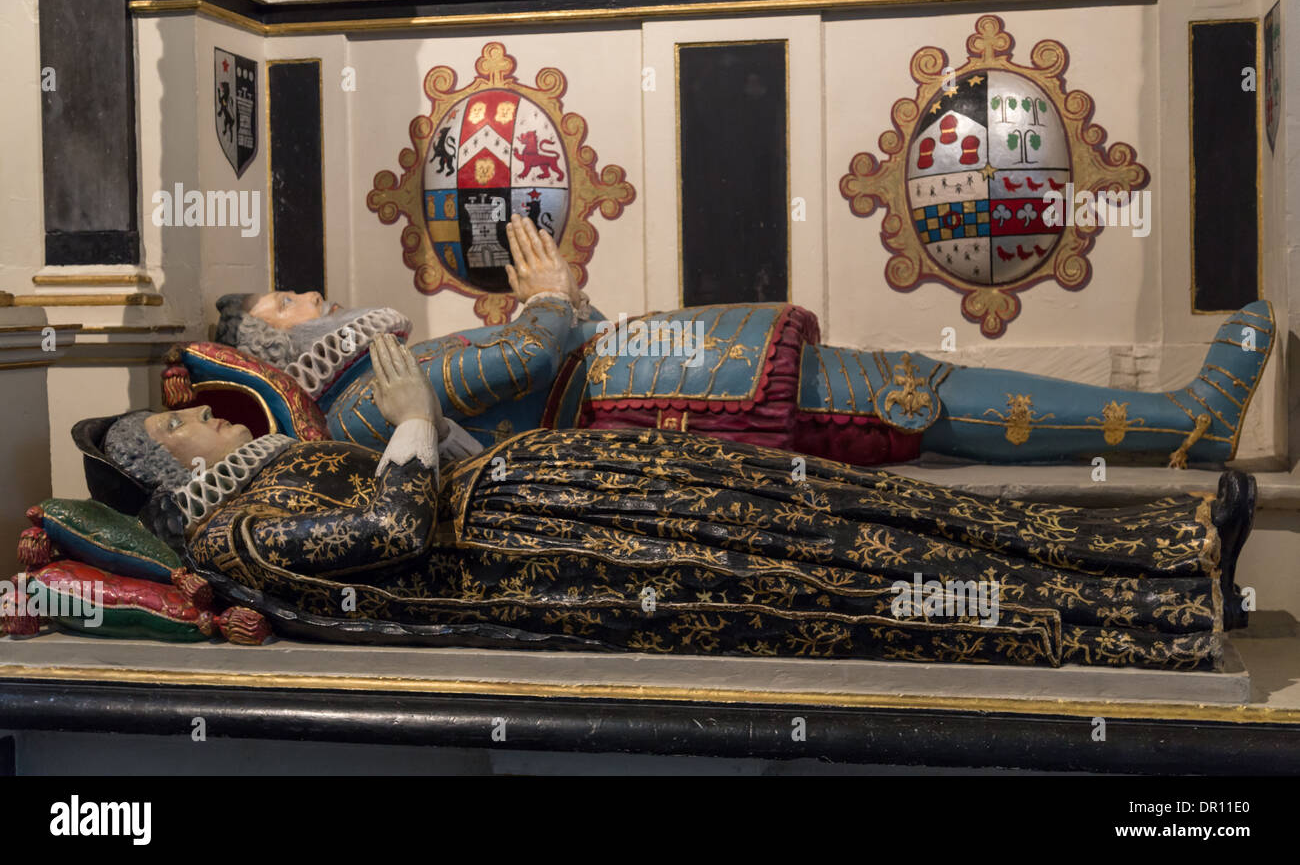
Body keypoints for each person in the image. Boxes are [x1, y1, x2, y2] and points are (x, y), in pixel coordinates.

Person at [96, 332, 1256, 669]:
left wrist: (426, 426)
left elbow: (422, 475)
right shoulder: (231, 528)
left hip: (582, 488)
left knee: (871, 510)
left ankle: (1165, 538)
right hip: (569, 553)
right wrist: (409, 417)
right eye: (184, 424)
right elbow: (388, 532)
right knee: (857, 574)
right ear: (167, 465)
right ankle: (1150, 611)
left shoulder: (270, 468)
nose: (212, 418)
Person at [207, 217, 1275, 469]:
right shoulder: (362, 397)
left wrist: (561, 310)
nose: (312, 294)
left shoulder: (368, 379)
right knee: (910, 397)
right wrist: (553, 297)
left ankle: (1178, 422)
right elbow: (528, 358)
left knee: (911, 392)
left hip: (670, 374)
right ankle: (1187, 423)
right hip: (674, 398)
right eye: (288, 303)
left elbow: (538, 353)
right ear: (276, 347)